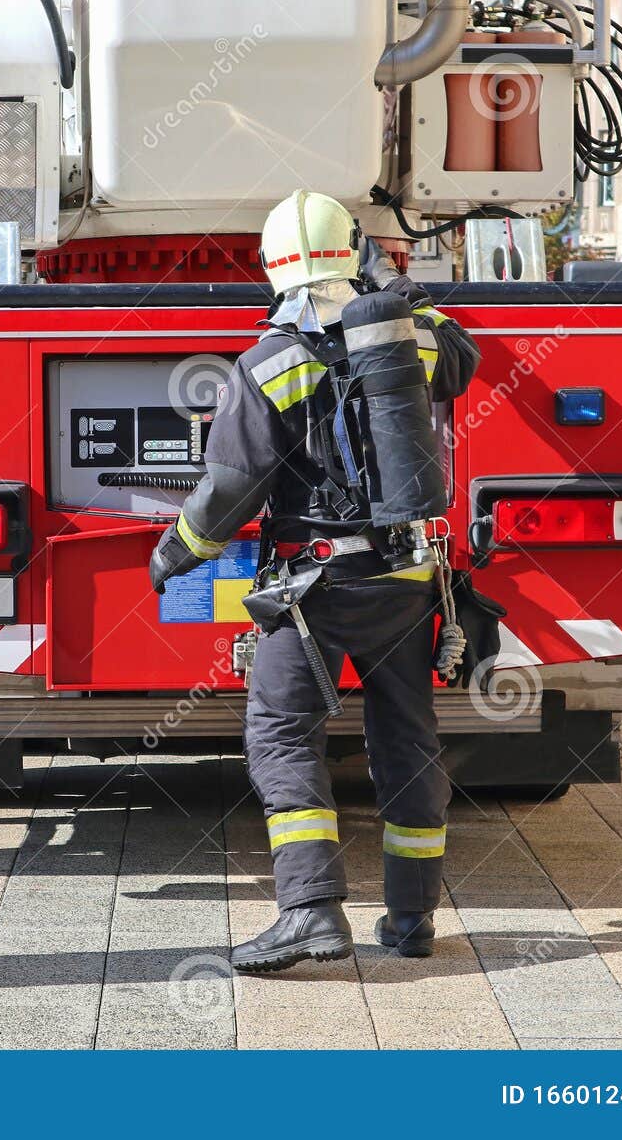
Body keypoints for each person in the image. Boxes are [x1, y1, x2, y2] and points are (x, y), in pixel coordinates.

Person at [149, 191, 481, 972]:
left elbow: (229, 492)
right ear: (352, 253)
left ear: (272, 268)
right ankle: (410, 920)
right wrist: (399, 287)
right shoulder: (416, 341)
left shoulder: (267, 362)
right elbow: (466, 355)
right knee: (406, 737)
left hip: (314, 592)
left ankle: (309, 912)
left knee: (282, 731)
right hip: (406, 577)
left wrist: (173, 554)